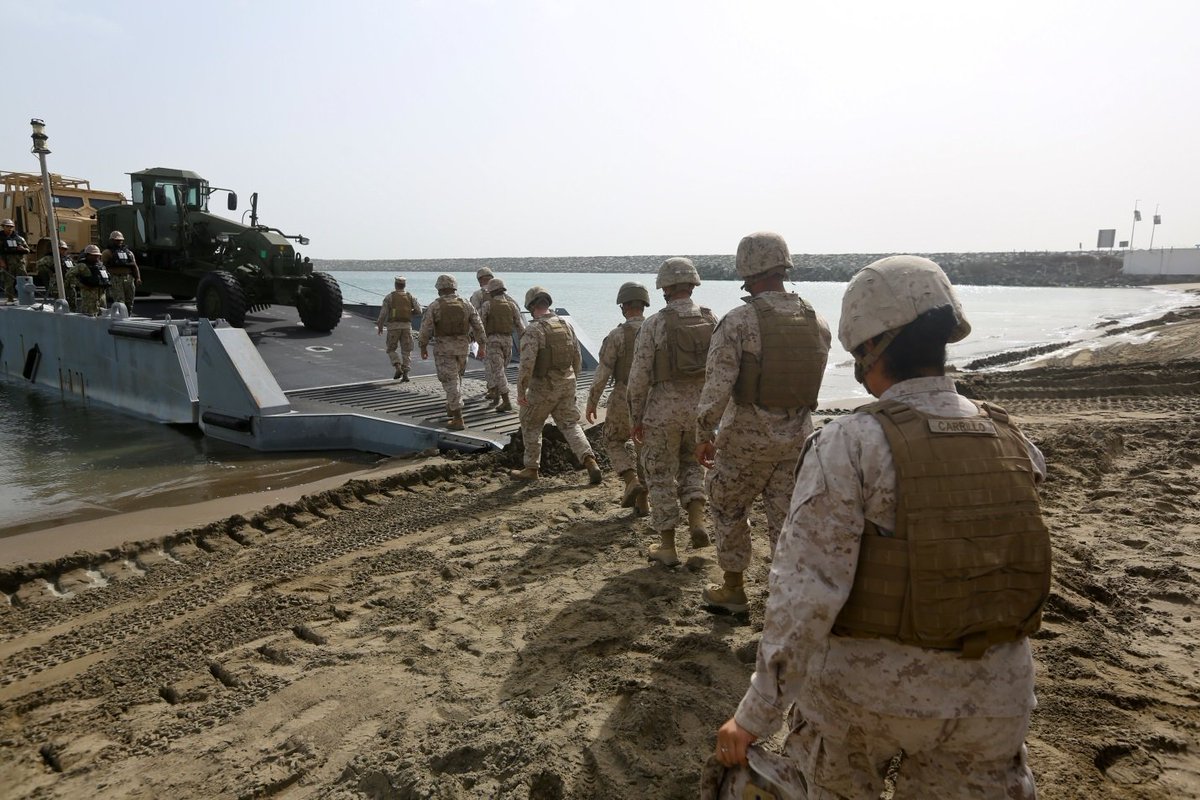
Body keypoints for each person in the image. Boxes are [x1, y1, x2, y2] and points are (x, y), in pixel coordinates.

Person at [713, 255, 1049, 799]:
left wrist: (754, 714)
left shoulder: (848, 444)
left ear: (871, 348)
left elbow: (806, 595)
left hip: (867, 698)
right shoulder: (1012, 440)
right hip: (996, 700)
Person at [695, 232, 831, 614]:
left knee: (727, 506)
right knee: (786, 519)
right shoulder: (815, 319)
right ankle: (787, 600)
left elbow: (718, 385)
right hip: (799, 437)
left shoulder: (738, 321)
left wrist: (704, 433)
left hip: (745, 439)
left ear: (746, 268)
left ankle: (733, 588)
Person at [627, 257, 717, 566]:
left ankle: (667, 546)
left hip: (663, 412)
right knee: (693, 466)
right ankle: (697, 522)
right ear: (693, 284)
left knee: (660, 474)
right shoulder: (710, 319)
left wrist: (635, 418)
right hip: (699, 411)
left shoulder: (655, 324)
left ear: (664, 288)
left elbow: (638, 377)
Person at [509, 285, 602, 484]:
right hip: (567, 383)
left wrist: (520, 391)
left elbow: (526, 365)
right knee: (570, 424)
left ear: (531, 306)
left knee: (530, 422)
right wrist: (571, 380)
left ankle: (531, 468)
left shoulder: (533, 330)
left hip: (543, 387)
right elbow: (577, 357)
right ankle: (590, 460)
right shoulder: (565, 325)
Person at [586, 281, 651, 516]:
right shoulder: (658, 329)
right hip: (654, 397)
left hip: (624, 395)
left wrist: (592, 401)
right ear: (645, 304)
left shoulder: (617, 335)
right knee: (644, 448)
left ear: (623, 307)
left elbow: (602, 371)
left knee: (613, 441)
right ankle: (643, 502)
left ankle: (630, 478)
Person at [418, 274, 485, 430]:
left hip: (444, 349)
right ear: (455, 287)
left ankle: (457, 418)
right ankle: (451, 405)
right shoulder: (466, 304)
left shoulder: (435, 306)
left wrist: (422, 346)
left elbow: (425, 328)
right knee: (457, 378)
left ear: (440, 289)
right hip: (463, 348)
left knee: (450, 381)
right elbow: (478, 325)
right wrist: (482, 345)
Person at [478, 277, 525, 411]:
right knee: (500, 370)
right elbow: (520, 326)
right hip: (508, 341)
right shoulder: (512, 306)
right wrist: (523, 344)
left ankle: (506, 401)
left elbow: (480, 325)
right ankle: (497, 397)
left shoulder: (487, 305)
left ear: (491, 291)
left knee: (498, 372)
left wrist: (480, 342)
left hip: (493, 341)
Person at [376, 275, 422, 381]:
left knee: (391, 349)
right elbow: (419, 310)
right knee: (406, 351)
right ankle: (406, 374)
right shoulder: (410, 297)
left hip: (393, 327)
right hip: (406, 327)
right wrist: (409, 313)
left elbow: (383, 314)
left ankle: (397, 366)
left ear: (395, 284)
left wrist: (380, 326)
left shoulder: (389, 297)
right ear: (404, 285)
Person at [65, 245, 112, 316]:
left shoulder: (101, 266)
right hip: (89, 296)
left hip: (101, 295)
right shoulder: (82, 266)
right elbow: (69, 275)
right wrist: (81, 285)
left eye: (97, 255)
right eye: (93, 255)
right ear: (87, 255)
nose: (96, 257)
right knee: (88, 316)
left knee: (103, 316)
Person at [101, 230, 141, 311]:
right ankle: (120, 318)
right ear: (112, 240)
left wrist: (138, 278)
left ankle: (128, 317)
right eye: (117, 240)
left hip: (129, 278)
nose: (119, 242)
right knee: (120, 301)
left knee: (129, 301)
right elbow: (102, 267)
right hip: (115, 278)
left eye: (120, 240)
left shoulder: (129, 253)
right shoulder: (107, 253)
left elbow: (134, 266)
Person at [1, 218, 31, 303]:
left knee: (24, 279)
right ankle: (10, 298)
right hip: (7, 262)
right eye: (7, 226)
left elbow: (28, 250)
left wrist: (22, 248)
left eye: (11, 227)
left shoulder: (19, 238)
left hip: (19, 263)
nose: (9, 228)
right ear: (3, 227)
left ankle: (26, 297)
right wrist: (1, 262)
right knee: (8, 281)